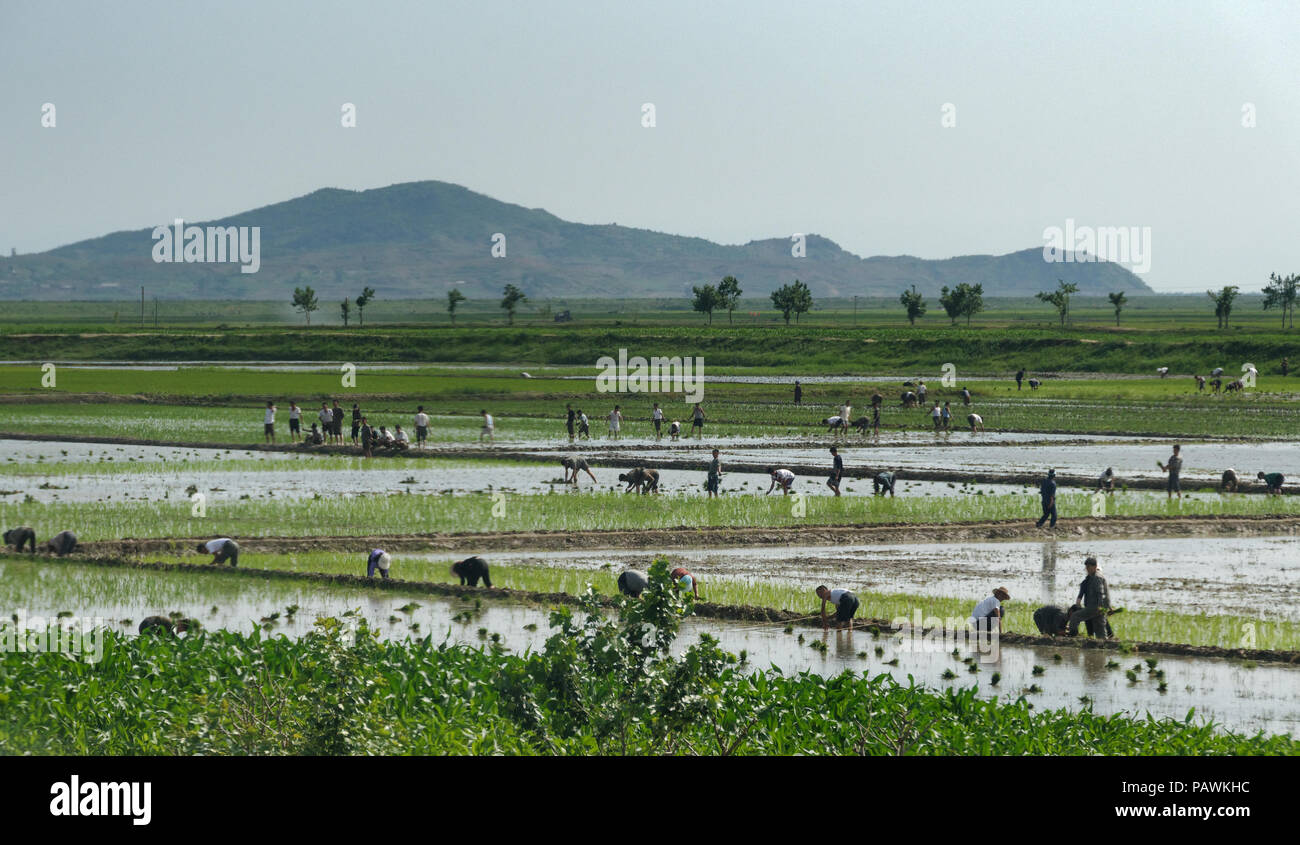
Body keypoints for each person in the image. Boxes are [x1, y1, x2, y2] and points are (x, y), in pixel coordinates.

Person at [1068, 557, 1112, 637]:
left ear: (1095, 567)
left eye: (1089, 567)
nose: (1087, 569)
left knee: (1075, 616)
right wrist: (1108, 607)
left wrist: (1099, 607)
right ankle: (1103, 643)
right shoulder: (1091, 578)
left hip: (1095, 607)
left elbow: (1100, 593)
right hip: (1098, 607)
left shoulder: (1096, 578)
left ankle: (1072, 637)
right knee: (1099, 627)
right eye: (1086, 567)